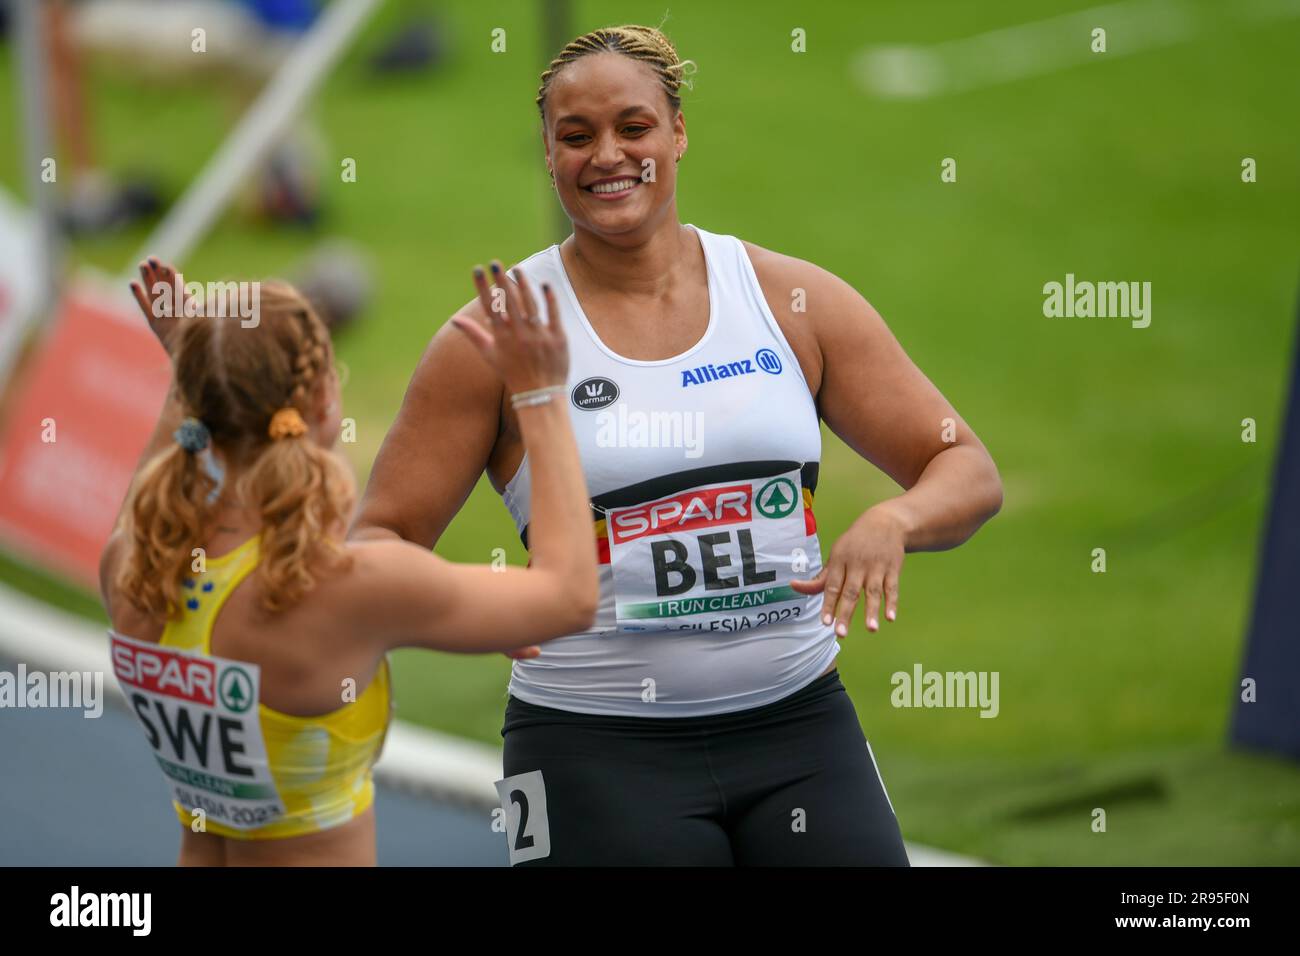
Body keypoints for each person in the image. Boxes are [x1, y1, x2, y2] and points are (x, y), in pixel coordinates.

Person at [352, 24, 1003, 865]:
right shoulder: (496, 333)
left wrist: (895, 522)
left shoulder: (789, 300)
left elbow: (965, 466)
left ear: (679, 133)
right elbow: (376, 542)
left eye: (633, 127)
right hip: (592, 747)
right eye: (575, 137)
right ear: (548, 156)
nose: (607, 156)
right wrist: (461, 597)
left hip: (798, 727)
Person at [99, 257, 594, 865]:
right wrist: (541, 394)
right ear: (323, 397)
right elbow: (572, 596)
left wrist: (193, 367)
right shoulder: (339, 589)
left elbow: (181, 446)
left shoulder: (132, 565)